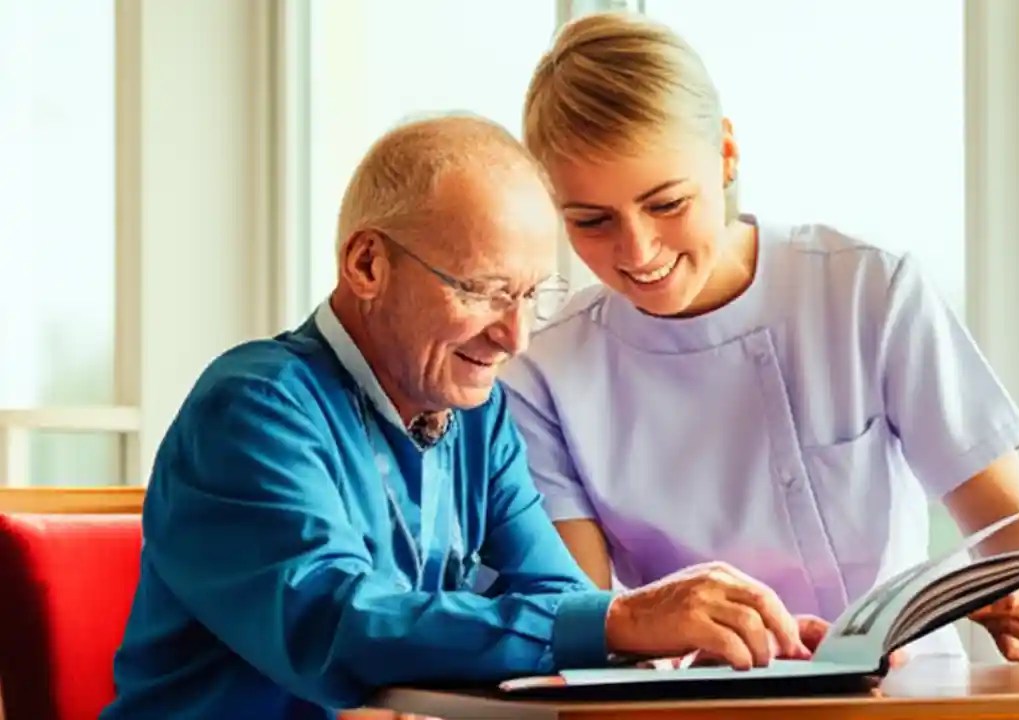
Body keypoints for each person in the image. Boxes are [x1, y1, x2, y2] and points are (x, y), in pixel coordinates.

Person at [102, 115, 817, 720]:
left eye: (530, 296)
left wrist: (673, 649)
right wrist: (622, 621)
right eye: (483, 291)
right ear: (367, 265)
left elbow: (556, 596)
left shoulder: (477, 414)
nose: (515, 337)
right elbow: (337, 621)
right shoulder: (253, 409)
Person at [501, 11, 1019, 666]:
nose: (637, 250)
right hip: (694, 700)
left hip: (908, 694)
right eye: (592, 221)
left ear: (725, 154)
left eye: (666, 204)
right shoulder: (544, 373)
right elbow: (585, 620)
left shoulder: (867, 291)